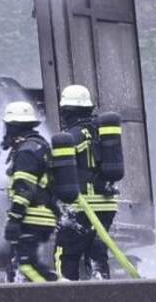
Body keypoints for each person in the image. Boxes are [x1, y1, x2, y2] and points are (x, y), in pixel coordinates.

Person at [54, 84, 118, 280]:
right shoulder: (102, 132)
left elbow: (57, 172)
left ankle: (64, 294)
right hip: (107, 205)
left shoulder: (70, 137)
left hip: (81, 207)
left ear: (67, 111)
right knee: (97, 255)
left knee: (66, 256)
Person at [0, 100, 60, 283]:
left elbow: (24, 189)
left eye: (8, 127)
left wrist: (14, 220)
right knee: (23, 265)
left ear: (14, 127)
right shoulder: (39, 145)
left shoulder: (26, 152)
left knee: (25, 266)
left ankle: (57, 293)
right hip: (41, 216)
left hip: (32, 217)